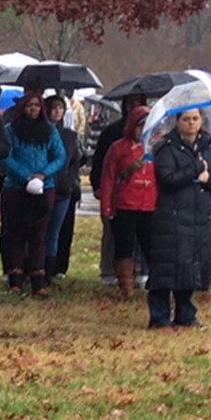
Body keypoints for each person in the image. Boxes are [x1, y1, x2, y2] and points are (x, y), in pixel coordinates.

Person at [147, 107, 211, 330]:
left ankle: (186, 315)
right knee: (166, 267)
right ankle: (160, 317)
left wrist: (207, 178)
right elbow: (168, 179)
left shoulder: (208, 148)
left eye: (195, 119)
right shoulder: (166, 149)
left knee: (190, 267)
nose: (191, 123)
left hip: (199, 218)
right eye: (186, 119)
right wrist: (195, 169)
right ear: (177, 122)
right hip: (171, 217)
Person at [0, 92, 65, 297]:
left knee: (39, 235)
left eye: (37, 106)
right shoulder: (11, 130)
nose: (33, 109)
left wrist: (43, 175)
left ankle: (38, 280)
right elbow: (5, 158)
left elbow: (60, 156)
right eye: (29, 106)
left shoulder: (50, 130)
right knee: (16, 233)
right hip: (16, 187)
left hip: (44, 187)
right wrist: (27, 177)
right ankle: (15, 279)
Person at [92, 91, 150, 284]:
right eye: (130, 101)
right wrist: (104, 201)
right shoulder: (115, 140)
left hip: (148, 203)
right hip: (124, 200)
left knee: (147, 242)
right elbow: (105, 170)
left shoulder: (155, 145)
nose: (133, 105)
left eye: (137, 101)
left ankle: (144, 273)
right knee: (119, 241)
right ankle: (117, 277)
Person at [101, 106, 157, 298]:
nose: (143, 131)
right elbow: (108, 177)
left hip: (150, 204)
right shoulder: (119, 148)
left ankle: (155, 283)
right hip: (126, 204)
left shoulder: (157, 146)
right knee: (124, 245)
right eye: (140, 126)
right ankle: (126, 287)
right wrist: (107, 207)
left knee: (151, 245)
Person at [42, 95, 84, 281]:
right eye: (54, 107)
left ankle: (56, 267)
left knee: (59, 231)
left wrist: (70, 181)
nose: (58, 111)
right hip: (43, 186)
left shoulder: (69, 135)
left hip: (64, 188)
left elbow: (75, 161)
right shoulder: (40, 132)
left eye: (61, 108)